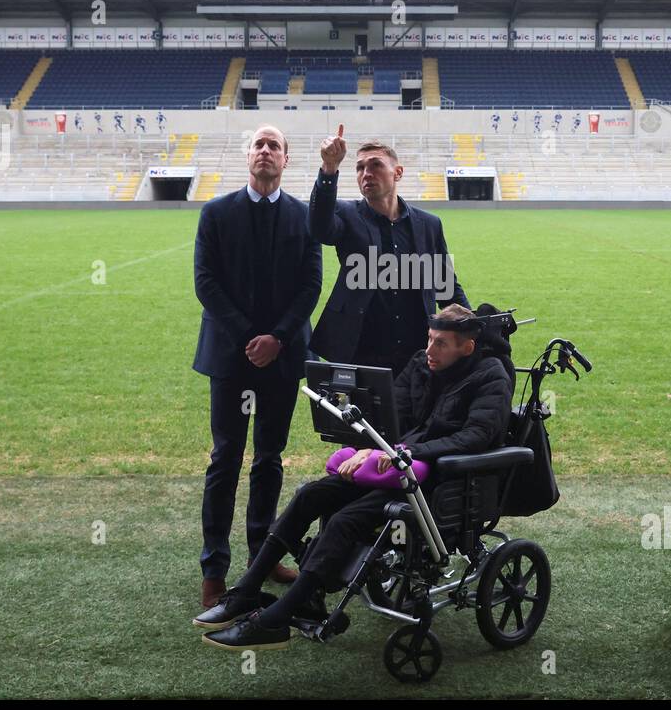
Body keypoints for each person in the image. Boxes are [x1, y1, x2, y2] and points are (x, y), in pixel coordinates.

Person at [193, 304, 512, 650]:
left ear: (467, 347)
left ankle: (275, 620)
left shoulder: (491, 375)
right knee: (309, 495)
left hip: (436, 483)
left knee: (345, 520)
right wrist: (370, 448)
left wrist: (404, 453)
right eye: (430, 339)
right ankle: (245, 592)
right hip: (392, 468)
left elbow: (476, 436)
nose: (430, 350)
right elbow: (391, 420)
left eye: (442, 344)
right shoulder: (422, 363)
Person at [192, 125, 323, 608]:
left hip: (282, 360)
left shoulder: (305, 217)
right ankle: (214, 568)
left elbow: (311, 286)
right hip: (231, 357)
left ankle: (261, 558)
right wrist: (252, 337)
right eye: (259, 145)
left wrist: (279, 338)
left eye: (275, 146)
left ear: (286, 160)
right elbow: (206, 283)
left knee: (270, 458)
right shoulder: (216, 213)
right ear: (247, 156)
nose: (266, 151)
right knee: (225, 460)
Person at [309, 126, 471, 376]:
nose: (366, 173)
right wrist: (329, 168)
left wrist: (473, 325)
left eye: (375, 165)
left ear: (398, 173)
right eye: (360, 168)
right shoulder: (346, 214)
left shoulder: (429, 224)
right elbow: (320, 229)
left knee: (413, 414)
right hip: (357, 347)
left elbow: (445, 285)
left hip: (416, 350)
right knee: (356, 416)